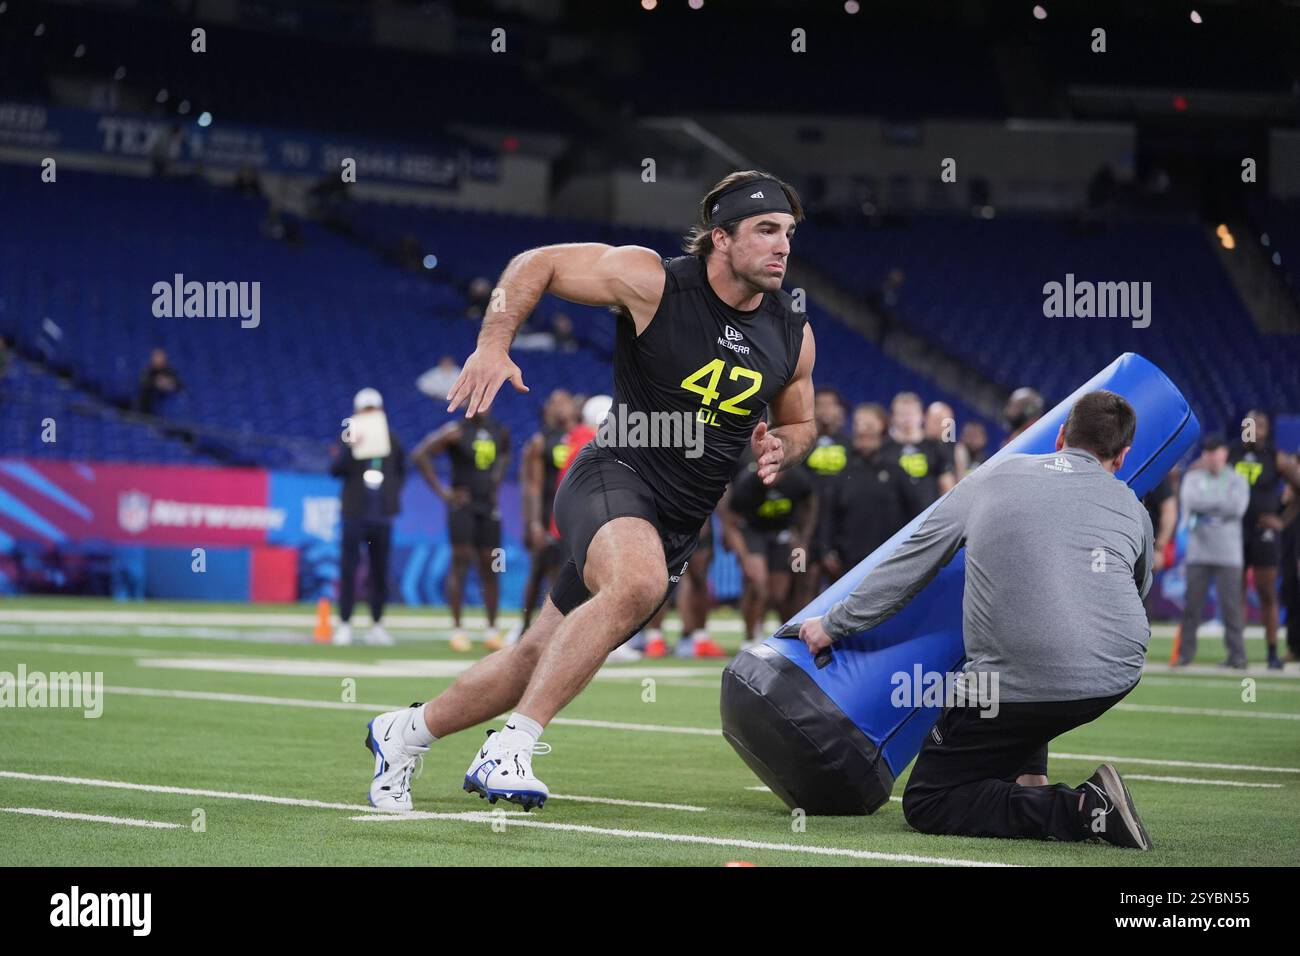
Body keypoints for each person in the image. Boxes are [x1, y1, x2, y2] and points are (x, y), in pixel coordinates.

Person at [360, 170, 816, 812]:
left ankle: (403, 733)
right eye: (767, 230)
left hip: (680, 520)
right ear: (721, 237)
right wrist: (493, 345)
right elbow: (535, 263)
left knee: (534, 657)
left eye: (789, 233)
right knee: (636, 584)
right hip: (614, 473)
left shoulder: (792, 331)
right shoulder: (652, 279)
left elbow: (802, 421)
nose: (783, 246)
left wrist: (785, 445)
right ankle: (511, 745)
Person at [797, 390, 1156, 849]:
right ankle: (1029, 780)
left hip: (1021, 680)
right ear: (1123, 456)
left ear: (1060, 435)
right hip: (1116, 672)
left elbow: (912, 559)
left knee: (930, 799)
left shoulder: (995, 475)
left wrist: (834, 623)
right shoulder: (1132, 506)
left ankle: (1084, 810)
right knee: (1026, 667)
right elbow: (1133, 591)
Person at [412, 412, 511, 653]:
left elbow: (506, 454)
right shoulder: (455, 431)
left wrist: (497, 478)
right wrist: (443, 492)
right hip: (462, 505)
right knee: (461, 562)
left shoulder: (500, 430)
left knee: (491, 564)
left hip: (488, 506)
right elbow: (420, 454)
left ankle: (492, 629)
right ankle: (457, 630)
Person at [330, 388, 405, 647]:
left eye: (374, 409)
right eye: (366, 409)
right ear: (357, 412)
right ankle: (345, 623)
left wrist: (390, 497)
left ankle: (376, 624)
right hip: (355, 514)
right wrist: (351, 447)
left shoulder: (392, 441)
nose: (370, 414)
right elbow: (335, 470)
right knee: (348, 570)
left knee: (379, 572)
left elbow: (401, 471)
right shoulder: (349, 438)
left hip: (380, 516)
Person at [721, 445, 816, 645]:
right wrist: (744, 556)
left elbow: (810, 506)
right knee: (757, 582)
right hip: (753, 531)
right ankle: (749, 638)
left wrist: (801, 540)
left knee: (778, 593)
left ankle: (773, 631)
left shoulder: (797, 480)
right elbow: (730, 522)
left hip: (781, 533)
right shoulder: (747, 483)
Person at [1176, 435, 1250, 668]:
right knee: (1191, 608)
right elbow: (1190, 502)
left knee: (1231, 609)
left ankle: (1237, 656)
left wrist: (1206, 507)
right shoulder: (1193, 478)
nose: (1211, 456)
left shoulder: (1237, 479)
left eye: (1215, 451)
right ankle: (1184, 655)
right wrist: (1219, 506)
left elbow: (1237, 508)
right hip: (1198, 553)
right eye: (1207, 452)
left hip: (1228, 554)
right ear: (1204, 455)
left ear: (1224, 453)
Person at [825, 403, 921, 571]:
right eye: (858, 424)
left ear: (882, 428)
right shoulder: (843, 473)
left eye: (869, 425)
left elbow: (914, 511)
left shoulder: (896, 472)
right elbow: (829, 515)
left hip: (889, 560)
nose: (863, 430)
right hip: (848, 562)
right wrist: (827, 550)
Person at [516, 389, 577, 640]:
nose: (560, 406)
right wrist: (532, 524)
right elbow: (533, 486)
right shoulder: (541, 441)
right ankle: (526, 626)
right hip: (547, 515)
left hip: (575, 516)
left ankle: (563, 628)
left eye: (565, 400)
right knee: (540, 571)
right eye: (554, 401)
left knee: (569, 572)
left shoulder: (583, 436)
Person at [1230, 411, 1286, 669]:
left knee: (1266, 593)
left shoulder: (1276, 458)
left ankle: (1272, 652)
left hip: (1263, 534)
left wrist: (1283, 520)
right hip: (1234, 532)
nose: (1252, 430)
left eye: (1258, 425)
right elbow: (1201, 469)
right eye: (1248, 425)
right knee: (1236, 594)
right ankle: (1238, 654)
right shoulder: (1230, 454)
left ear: (1266, 429)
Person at [795, 386, 850, 603]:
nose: (826, 410)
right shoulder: (804, 443)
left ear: (840, 411)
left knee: (842, 584)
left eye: (831, 405)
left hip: (840, 524)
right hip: (809, 524)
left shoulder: (850, 444)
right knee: (804, 581)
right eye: (821, 404)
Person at [881, 391, 955, 509]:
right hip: (890, 518)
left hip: (924, 519)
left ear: (922, 416)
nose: (907, 419)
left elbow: (948, 488)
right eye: (902, 414)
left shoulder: (936, 447)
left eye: (911, 413)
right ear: (893, 417)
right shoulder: (883, 447)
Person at [1140, 472, 1178, 620]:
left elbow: (1169, 509)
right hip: (1115, 546)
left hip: (1144, 550)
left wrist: (1159, 548)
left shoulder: (1151, 474)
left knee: (1139, 601)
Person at [135, 347, 182, 414]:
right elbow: (143, 383)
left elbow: (179, 385)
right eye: (157, 357)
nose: (159, 360)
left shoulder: (170, 371)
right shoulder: (148, 371)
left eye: (161, 357)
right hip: (148, 405)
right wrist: (156, 383)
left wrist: (169, 384)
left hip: (166, 403)